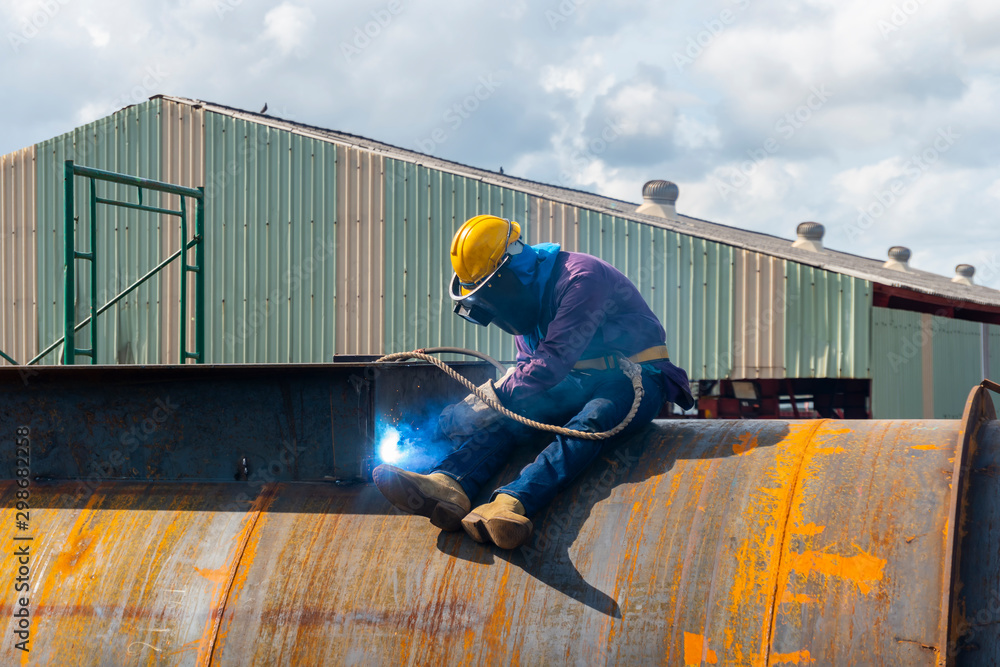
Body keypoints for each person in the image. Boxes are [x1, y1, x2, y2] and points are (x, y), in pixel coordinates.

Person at [373, 214, 694, 549]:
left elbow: (550, 363)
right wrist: (495, 407)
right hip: (575, 382)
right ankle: (449, 482)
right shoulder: (527, 305)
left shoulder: (581, 277)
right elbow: (530, 375)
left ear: (510, 268)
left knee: (591, 421)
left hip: (635, 378)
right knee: (510, 419)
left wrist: (488, 398)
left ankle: (512, 503)